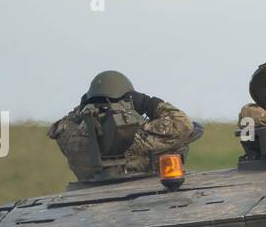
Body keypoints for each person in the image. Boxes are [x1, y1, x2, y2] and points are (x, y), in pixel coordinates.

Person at [48, 71, 200, 181]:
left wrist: (82, 108)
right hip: (135, 185)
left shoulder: (69, 138)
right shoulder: (133, 138)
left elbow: (60, 126)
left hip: (91, 186)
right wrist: (147, 103)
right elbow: (183, 124)